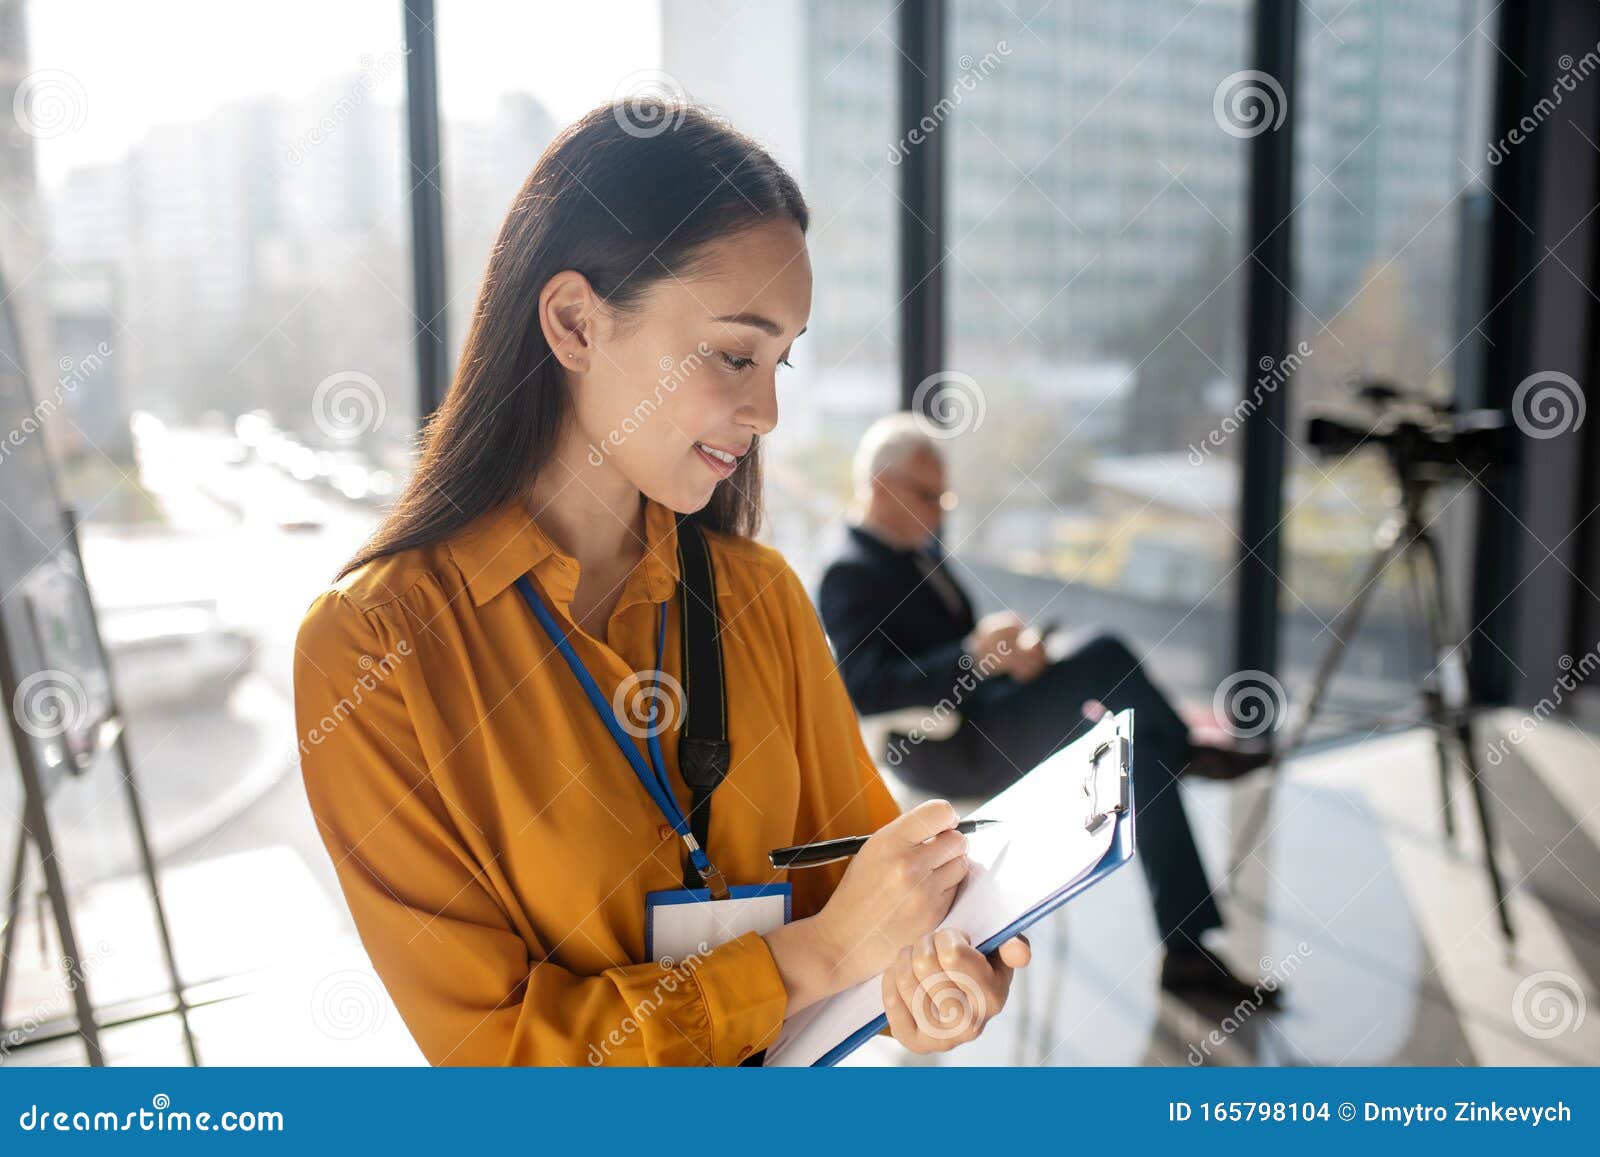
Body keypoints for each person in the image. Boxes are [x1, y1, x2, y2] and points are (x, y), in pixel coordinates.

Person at [292, 103, 1029, 1067]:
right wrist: (815, 956)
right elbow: (503, 1062)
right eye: (735, 353)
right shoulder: (371, 650)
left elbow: (866, 897)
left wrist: (925, 977)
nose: (765, 409)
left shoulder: (761, 594)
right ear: (574, 322)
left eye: (781, 360)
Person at [818, 414, 1277, 1007]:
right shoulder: (848, 570)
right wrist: (970, 656)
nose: (939, 510)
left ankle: (1186, 948)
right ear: (880, 486)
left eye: (944, 496)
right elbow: (863, 688)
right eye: (928, 496)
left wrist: (1006, 655)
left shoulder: (910, 549)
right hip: (949, 749)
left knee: (1138, 749)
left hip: (988, 711)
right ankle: (1185, 789)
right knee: (1109, 662)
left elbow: (954, 644)